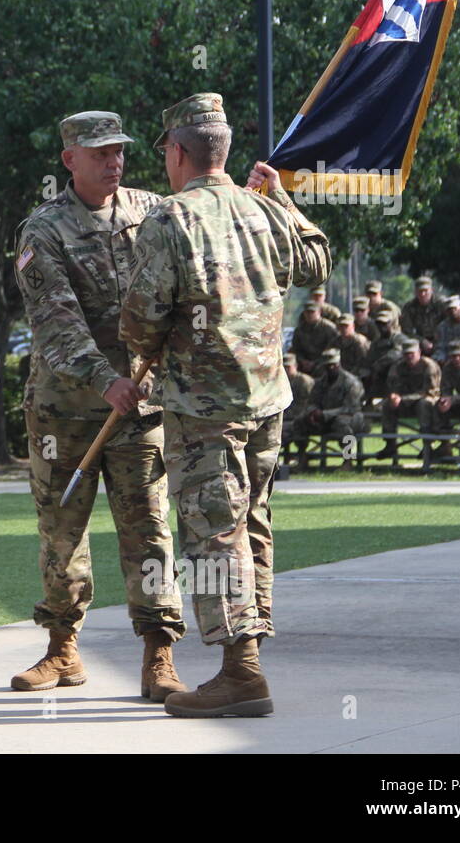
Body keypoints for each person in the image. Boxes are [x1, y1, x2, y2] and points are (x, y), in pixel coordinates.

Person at [117, 93, 331, 718]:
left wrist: (152, 344)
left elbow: (140, 322)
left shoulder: (168, 219)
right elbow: (315, 260)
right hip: (267, 401)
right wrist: (282, 199)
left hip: (205, 410)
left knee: (213, 536)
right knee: (252, 528)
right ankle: (249, 657)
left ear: (178, 152)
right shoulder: (263, 211)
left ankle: (240, 671)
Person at [9, 110, 185, 701]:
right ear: (70, 160)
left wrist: (239, 196)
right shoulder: (43, 230)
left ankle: (159, 651)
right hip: (66, 412)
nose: (114, 163)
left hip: (140, 412)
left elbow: (195, 257)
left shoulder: (153, 212)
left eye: (119, 152)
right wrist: (105, 377)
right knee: (62, 532)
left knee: (150, 531)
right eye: (100, 153)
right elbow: (55, 321)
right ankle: (62, 648)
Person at [293, 348, 366, 468]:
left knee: (343, 424)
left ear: (339, 364)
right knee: (300, 421)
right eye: (328, 366)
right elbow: (312, 401)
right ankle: (302, 457)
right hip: (325, 418)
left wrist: (324, 414)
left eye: (334, 365)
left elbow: (350, 408)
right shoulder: (321, 382)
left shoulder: (351, 382)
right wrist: (312, 412)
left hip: (352, 418)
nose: (331, 368)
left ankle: (348, 460)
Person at [376, 339, 440, 459]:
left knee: (424, 404)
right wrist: (393, 396)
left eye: (412, 353)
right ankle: (390, 444)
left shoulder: (429, 366)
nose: (409, 356)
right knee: (386, 405)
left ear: (419, 352)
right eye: (406, 354)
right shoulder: (398, 367)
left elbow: (430, 392)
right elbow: (392, 385)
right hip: (405, 403)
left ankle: (427, 446)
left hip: (427, 401)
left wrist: (403, 399)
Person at [398, 276, 447, 357]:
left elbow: (450, 324)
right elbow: (406, 330)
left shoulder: (441, 304)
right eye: (420, 291)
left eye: (425, 291)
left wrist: (437, 341)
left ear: (431, 290)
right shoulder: (409, 307)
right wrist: (421, 341)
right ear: (415, 292)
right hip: (419, 342)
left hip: (441, 340)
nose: (423, 294)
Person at [290, 301, 338, 374]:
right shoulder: (299, 329)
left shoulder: (329, 328)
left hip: (323, 362)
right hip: (303, 364)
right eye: (307, 312)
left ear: (319, 312)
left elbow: (333, 349)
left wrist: (315, 362)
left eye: (312, 312)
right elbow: (296, 349)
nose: (309, 315)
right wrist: (303, 361)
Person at [281, 352, 314, 454]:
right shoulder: (281, 381)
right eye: (284, 367)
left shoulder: (304, 381)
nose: (286, 370)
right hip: (285, 418)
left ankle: (300, 458)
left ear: (295, 366)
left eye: (288, 367)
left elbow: (308, 403)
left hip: (301, 418)